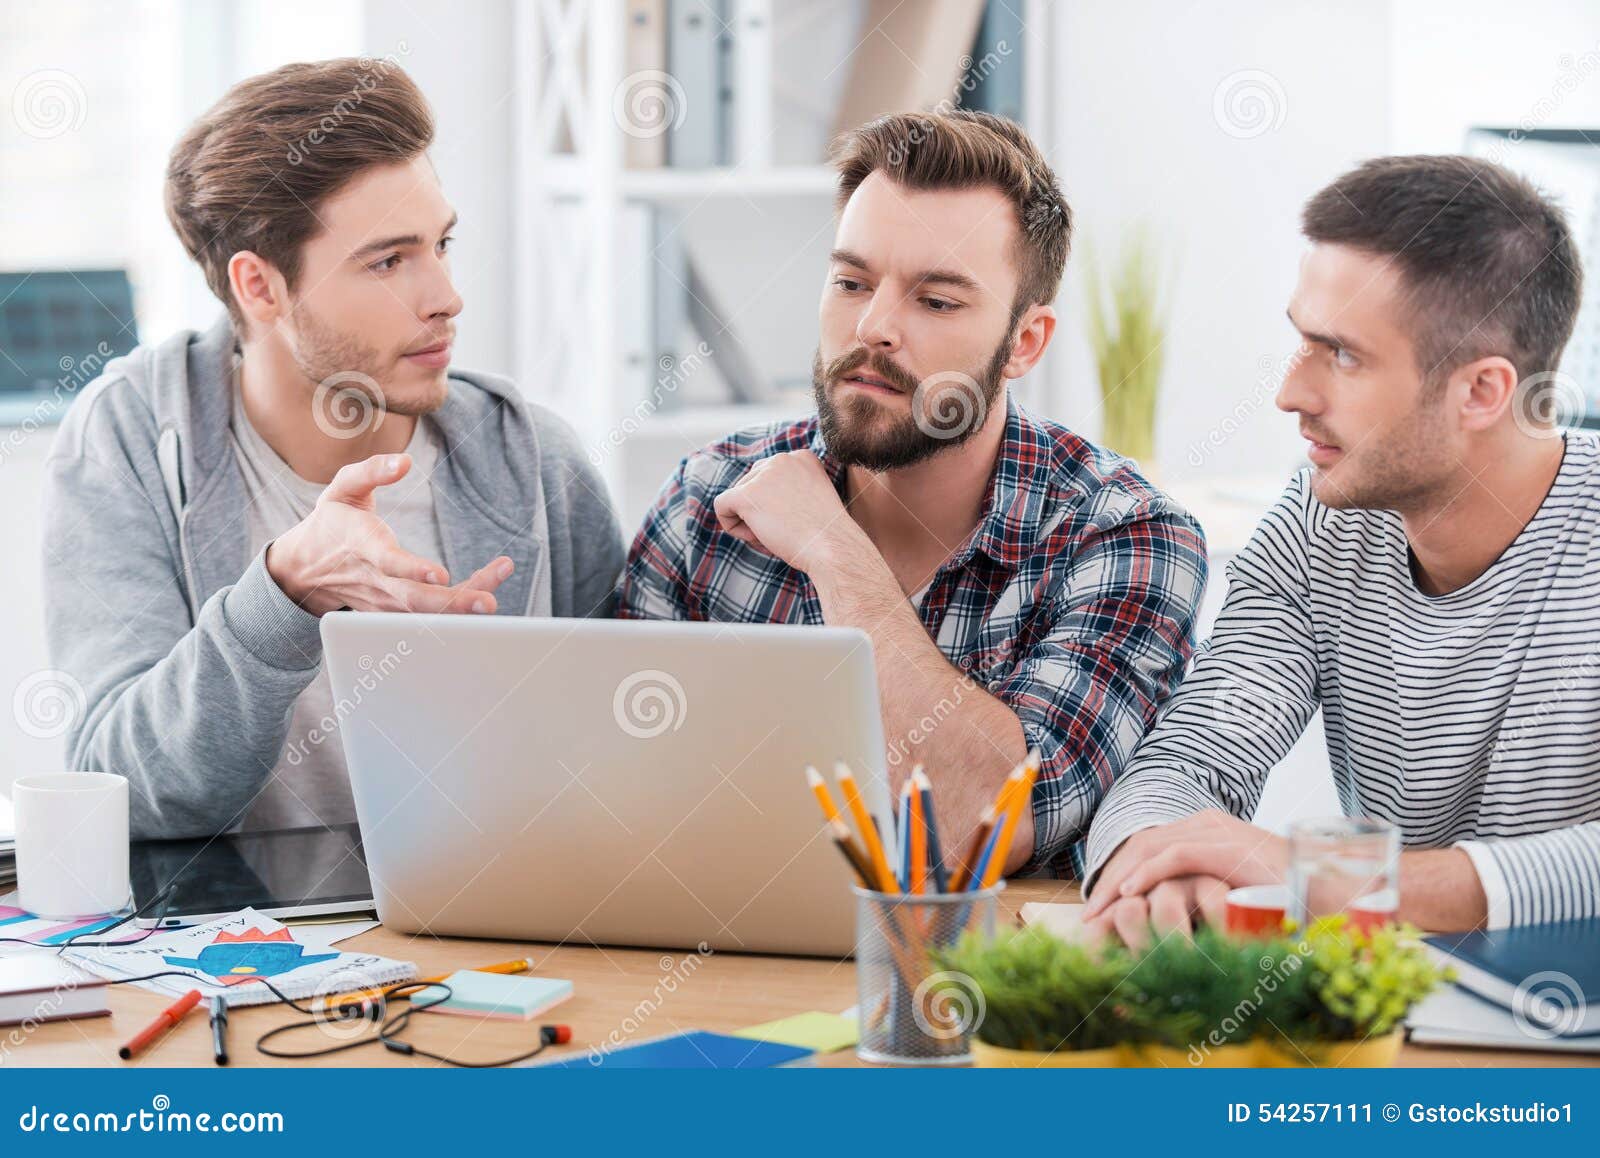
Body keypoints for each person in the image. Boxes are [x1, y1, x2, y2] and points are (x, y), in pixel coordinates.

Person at [44, 59, 623, 840]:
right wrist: (282, 593)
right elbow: (120, 794)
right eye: (388, 261)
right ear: (261, 288)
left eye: (441, 244)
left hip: (493, 945)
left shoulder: (536, 461)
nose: (446, 295)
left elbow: (629, 771)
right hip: (237, 955)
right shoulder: (129, 442)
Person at [618, 110, 1208, 875]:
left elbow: (978, 830)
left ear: (1024, 342)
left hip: (984, 989)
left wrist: (833, 550)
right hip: (722, 974)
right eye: (850, 282)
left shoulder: (1125, 537)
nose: (873, 327)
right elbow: (621, 814)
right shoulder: (704, 504)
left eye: (936, 301)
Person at [1084, 154, 1598, 943]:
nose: (1293, 393)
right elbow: (1193, 754)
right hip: (1398, 1024)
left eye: (1344, 355)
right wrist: (1165, 861)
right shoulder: (1319, 524)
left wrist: (1309, 872)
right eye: (1302, 342)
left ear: (1483, 392)